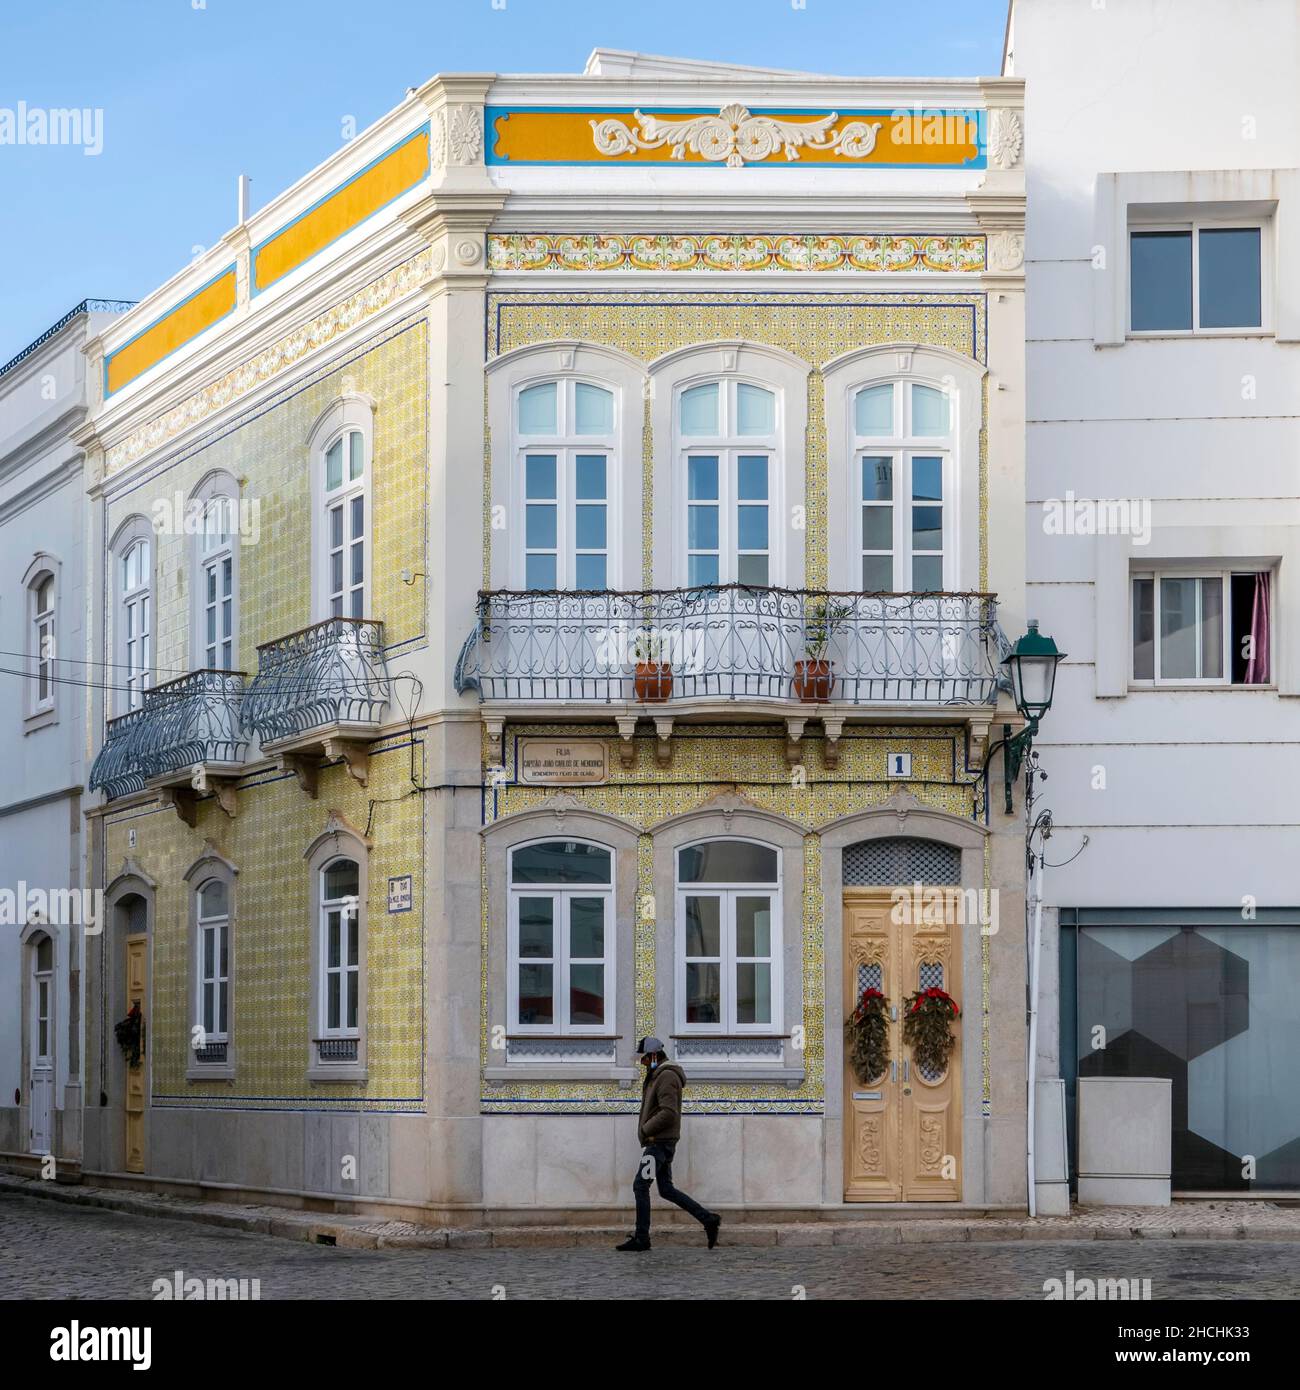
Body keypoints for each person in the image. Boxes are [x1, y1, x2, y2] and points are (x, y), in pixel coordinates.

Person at [616, 1036, 721, 1252]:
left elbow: (668, 1112)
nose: (642, 1063)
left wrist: (646, 1130)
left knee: (640, 1185)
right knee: (666, 1189)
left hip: (658, 1144)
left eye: (644, 1059)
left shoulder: (666, 1077)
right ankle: (708, 1219)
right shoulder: (658, 1075)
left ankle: (642, 1238)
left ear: (653, 1056)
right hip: (660, 1142)